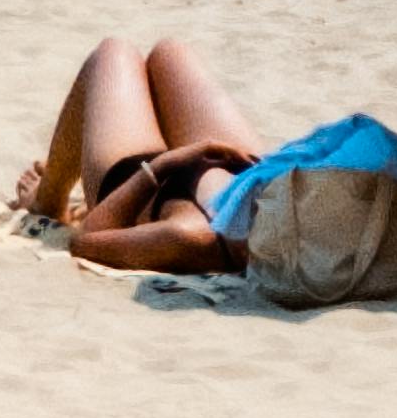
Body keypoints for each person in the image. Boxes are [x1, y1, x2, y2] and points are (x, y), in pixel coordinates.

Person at [24, 34, 269, 274]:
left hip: (144, 184)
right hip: (240, 166)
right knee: (169, 51)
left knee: (113, 52)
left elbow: (86, 242)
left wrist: (163, 165)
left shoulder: (189, 236)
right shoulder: (286, 197)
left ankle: (49, 198)